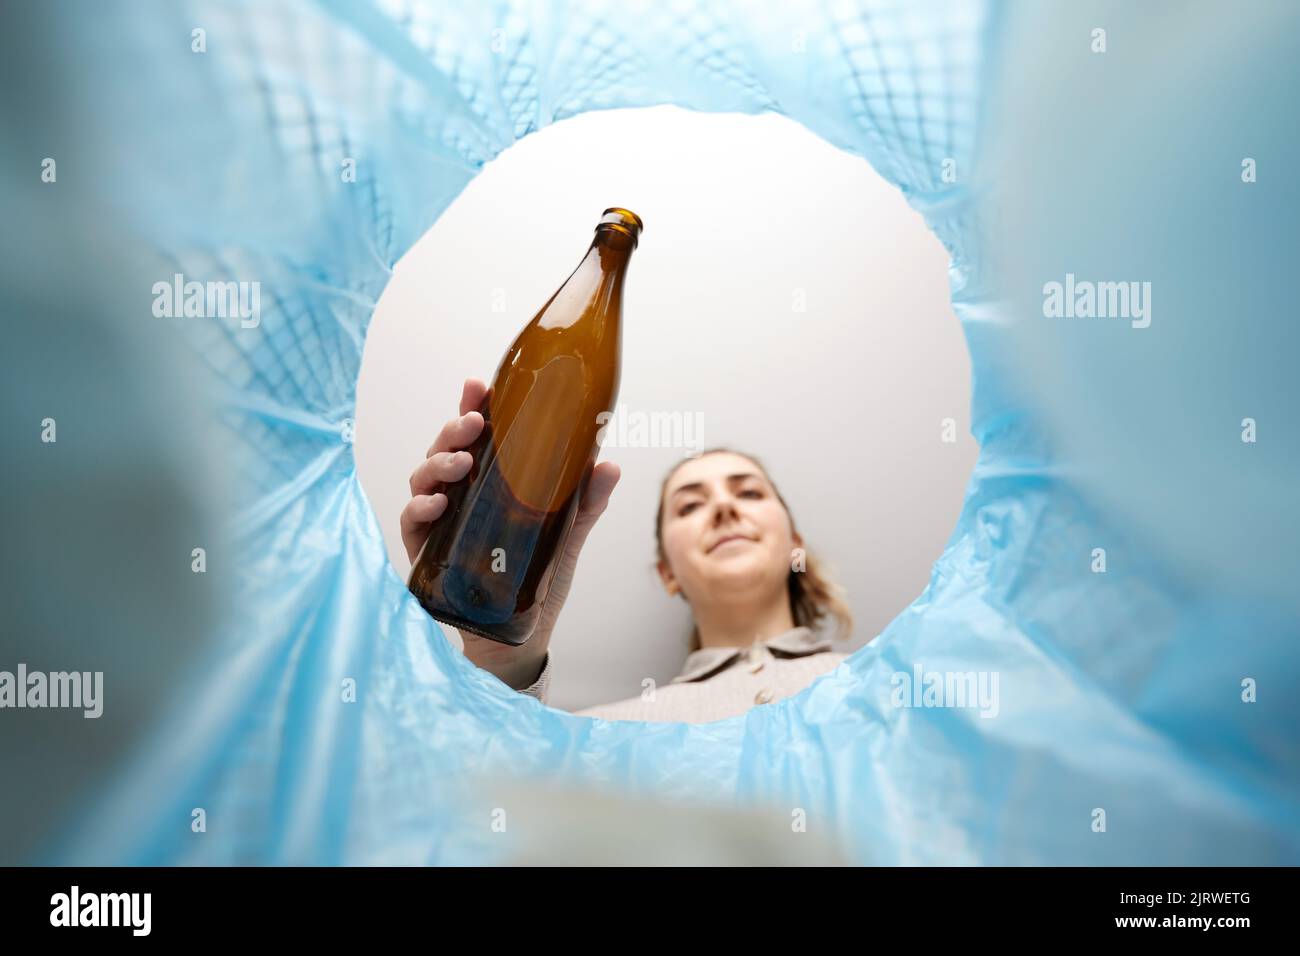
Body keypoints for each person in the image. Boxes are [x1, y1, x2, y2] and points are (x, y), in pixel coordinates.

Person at [401, 378, 855, 724]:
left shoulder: (897, 679)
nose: (722, 508)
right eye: (691, 505)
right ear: (667, 572)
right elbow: (476, 816)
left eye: (750, 493)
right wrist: (498, 663)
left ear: (795, 542)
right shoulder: (603, 733)